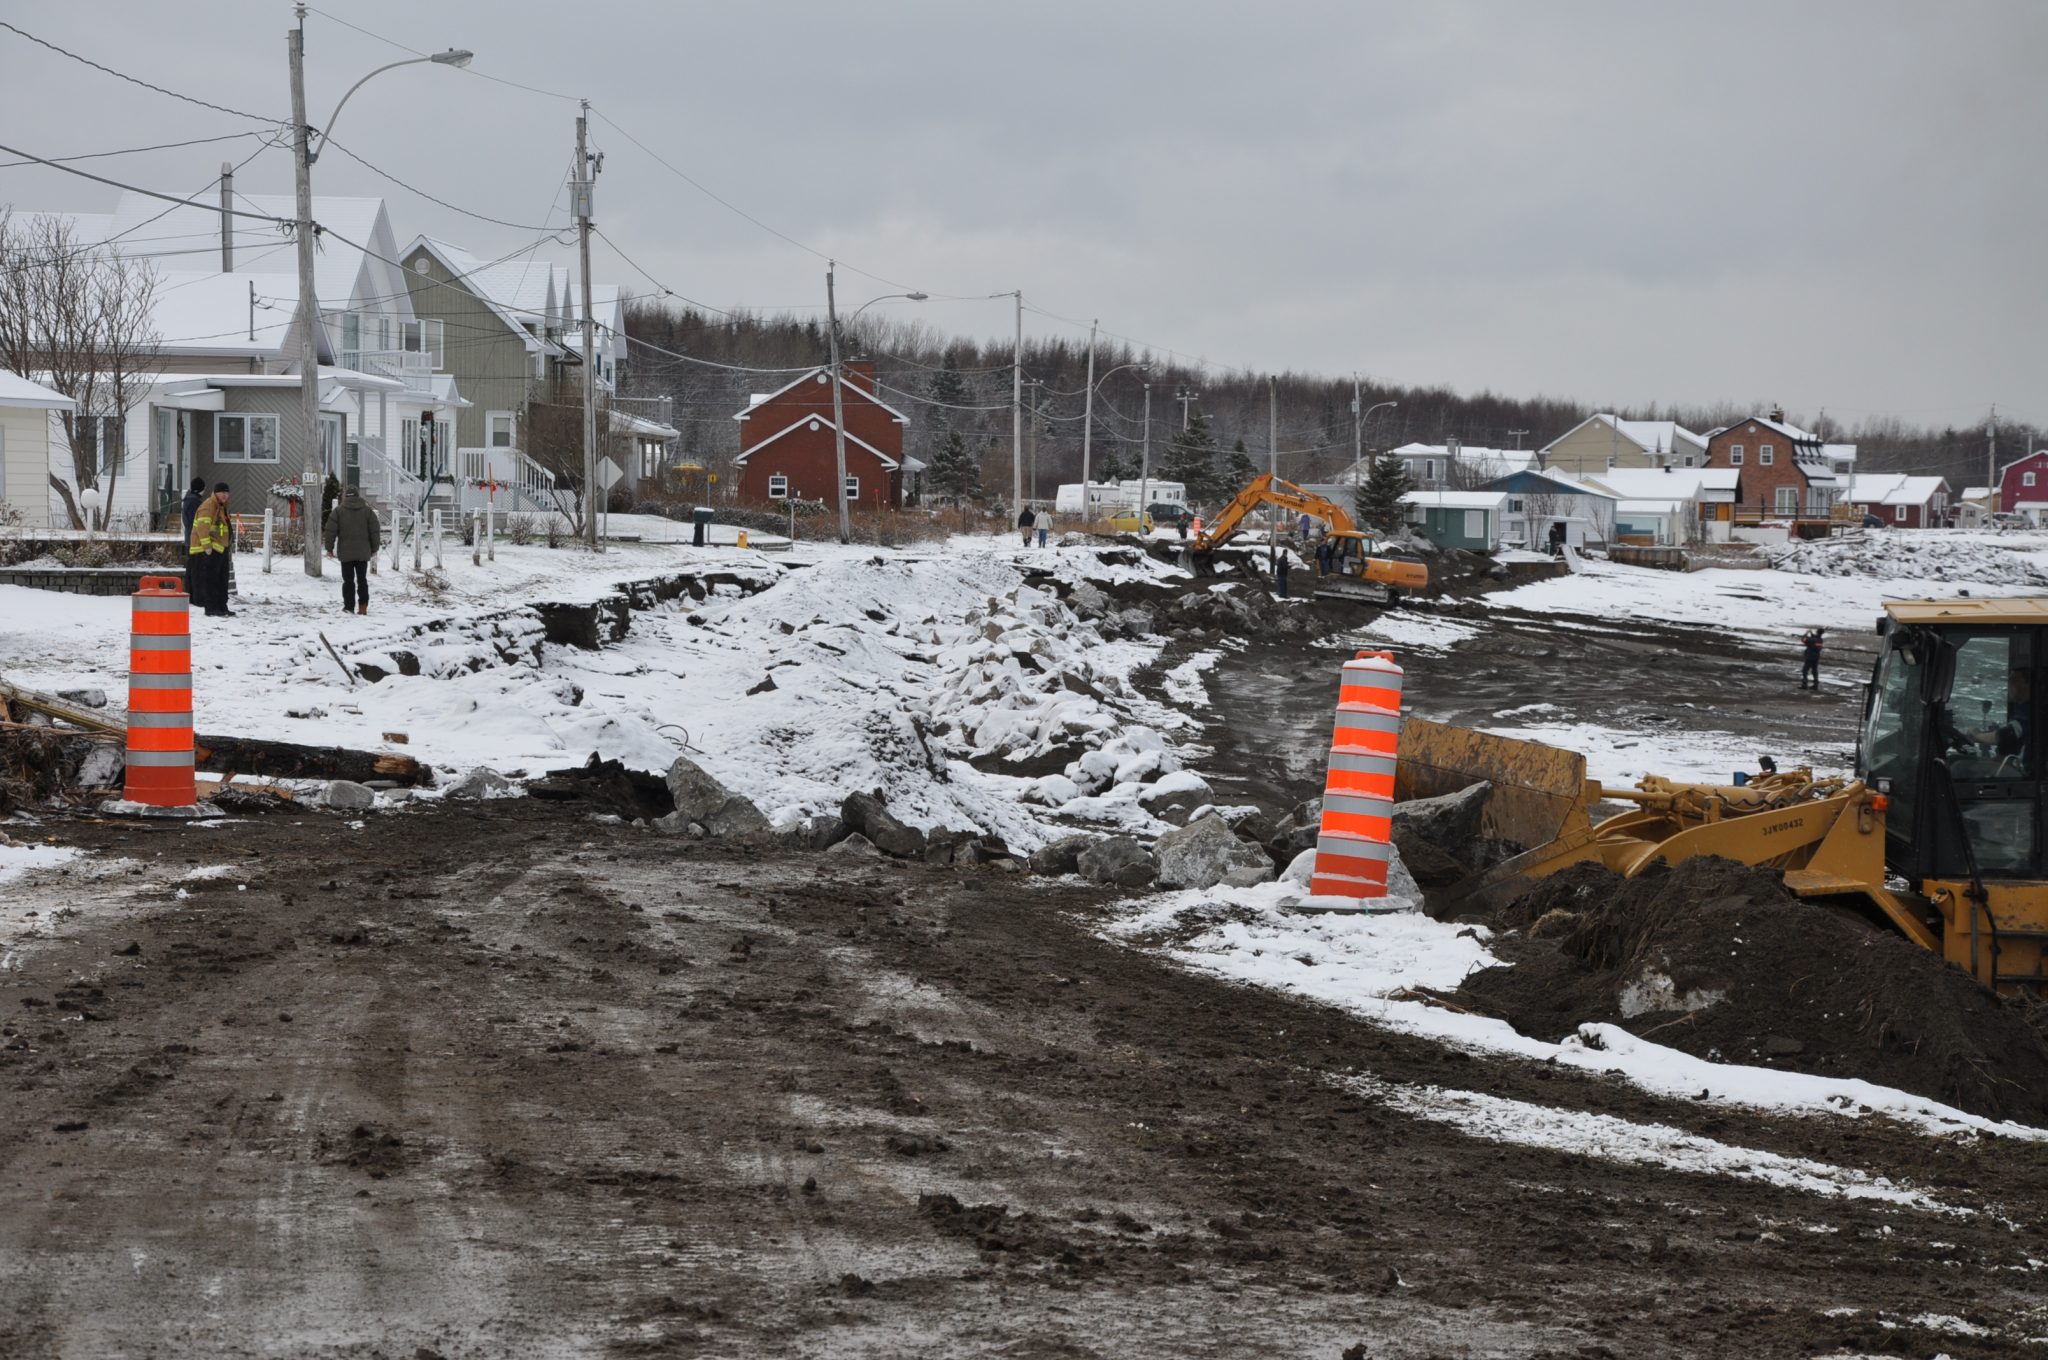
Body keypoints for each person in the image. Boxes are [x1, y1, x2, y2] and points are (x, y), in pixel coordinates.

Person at [323, 484, 383, 616]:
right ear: (357, 496)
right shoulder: (368, 511)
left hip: (346, 553)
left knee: (348, 581)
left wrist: (329, 548)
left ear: (345, 496)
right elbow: (374, 531)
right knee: (362, 580)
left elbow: (330, 531)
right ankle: (363, 607)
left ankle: (349, 607)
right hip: (362, 553)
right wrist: (374, 548)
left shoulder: (338, 511)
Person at [187, 482, 234, 618]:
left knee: (222, 579)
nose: (225, 495)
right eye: (222, 492)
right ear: (215, 493)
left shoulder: (221, 506)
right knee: (211, 580)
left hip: (221, 548)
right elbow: (202, 528)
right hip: (210, 550)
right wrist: (207, 547)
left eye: (227, 492)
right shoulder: (208, 506)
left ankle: (222, 606)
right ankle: (212, 608)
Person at [179, 476, 206, 543]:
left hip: (190, 538)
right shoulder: (195, 502)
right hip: (194, 540)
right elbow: (196, 522)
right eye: (204, 488)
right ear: (200, 489)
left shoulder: (189, 499)